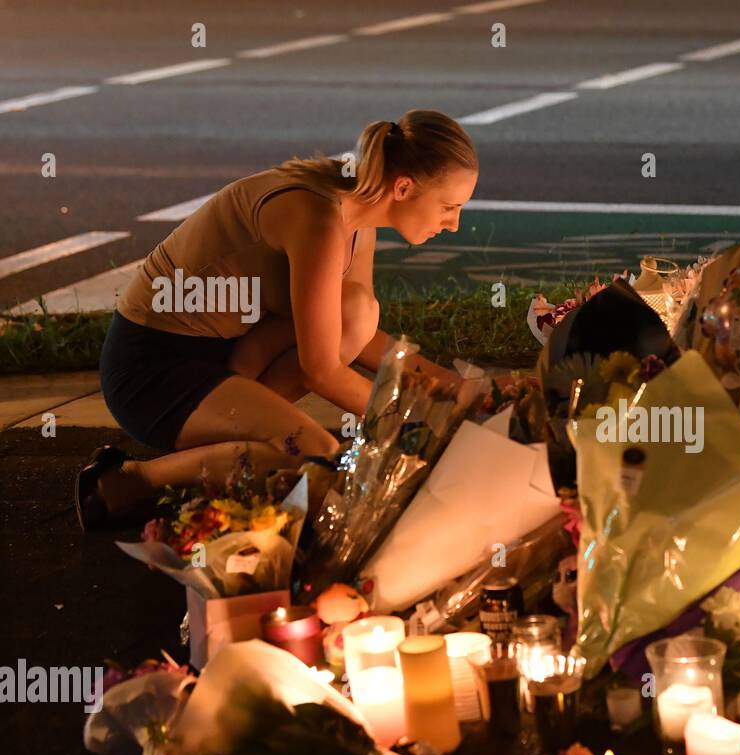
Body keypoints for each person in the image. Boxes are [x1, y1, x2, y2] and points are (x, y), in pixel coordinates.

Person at [77, 110, 478, 529]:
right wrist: (415, 428)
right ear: (403, 187)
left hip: (230, 353)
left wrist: (455, 390)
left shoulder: (360, 215)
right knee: (313, 455)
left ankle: (243, 436)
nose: (453, 224)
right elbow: (321, 371)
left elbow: (359, 336)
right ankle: (126, 480)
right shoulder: (317, 217)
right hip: (153, 366)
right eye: (449, 207)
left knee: (356, 311)